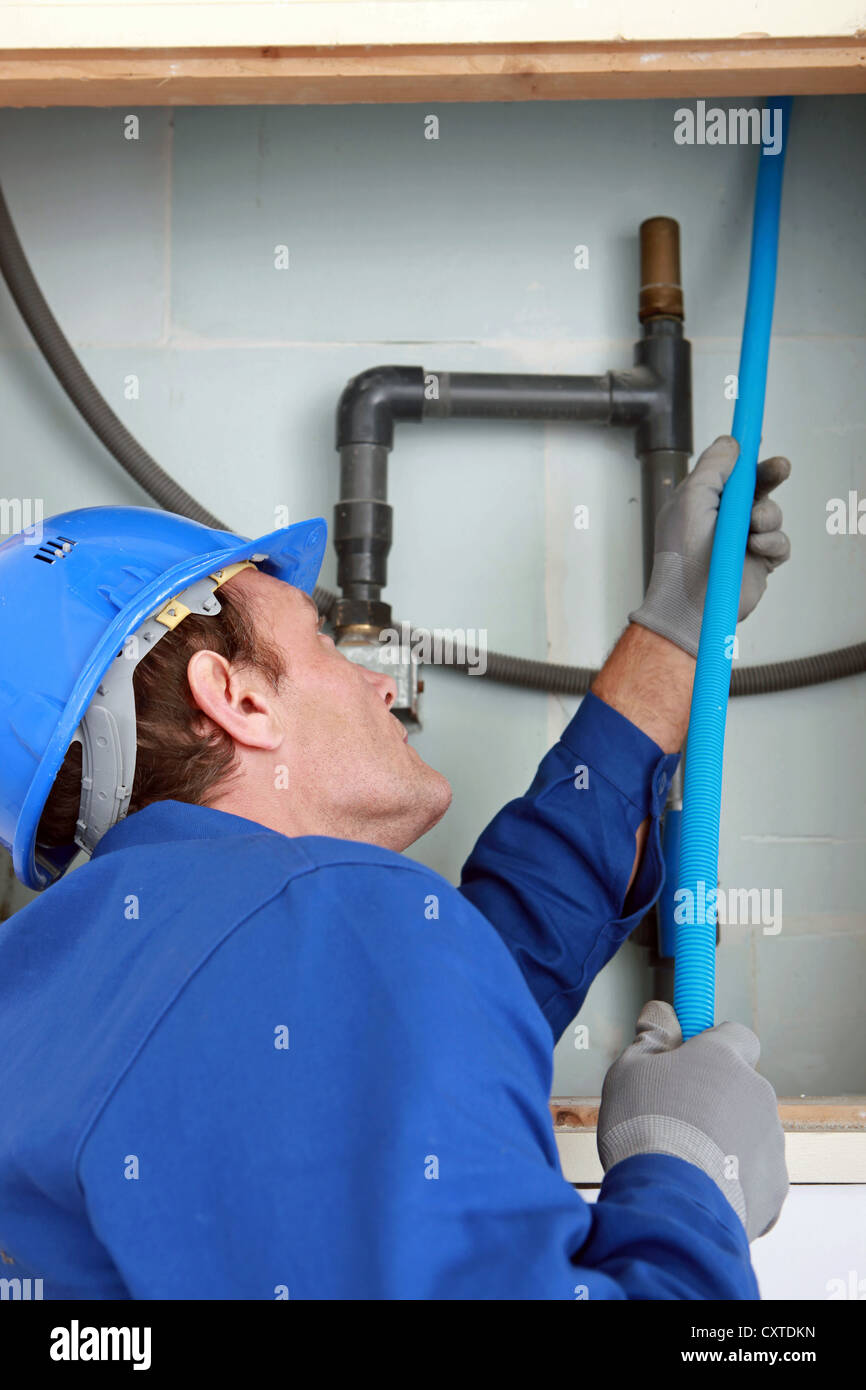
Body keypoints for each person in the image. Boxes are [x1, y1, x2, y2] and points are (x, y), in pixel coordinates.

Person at [0, 435, 791, 1299]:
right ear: (236, 698)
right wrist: (687, 1182)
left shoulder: (69, 993)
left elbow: (460, 987)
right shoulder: (323, 926)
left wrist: (675, 631)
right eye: (324, 646)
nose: (382, 687)